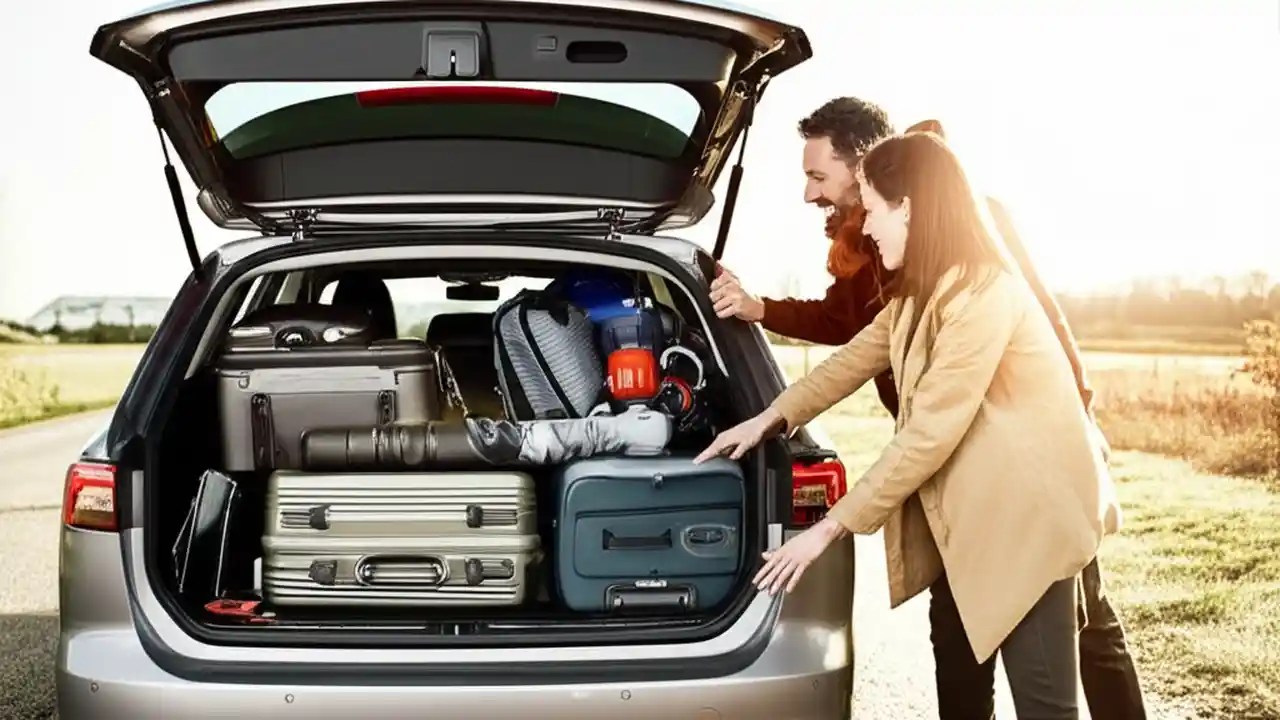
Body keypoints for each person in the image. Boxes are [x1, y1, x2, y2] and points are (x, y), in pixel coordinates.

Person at [710, 97, 1147, 720]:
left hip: (1030, 519)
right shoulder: (919, 291)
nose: (864, 227)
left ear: (908, 208)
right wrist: (762, 421)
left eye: (877, 212)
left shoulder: (981, 292)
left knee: (1048, 700)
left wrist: (828, 529)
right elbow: (849, 360)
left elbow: (930, 431)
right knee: (964, 651)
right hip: (974, 502)